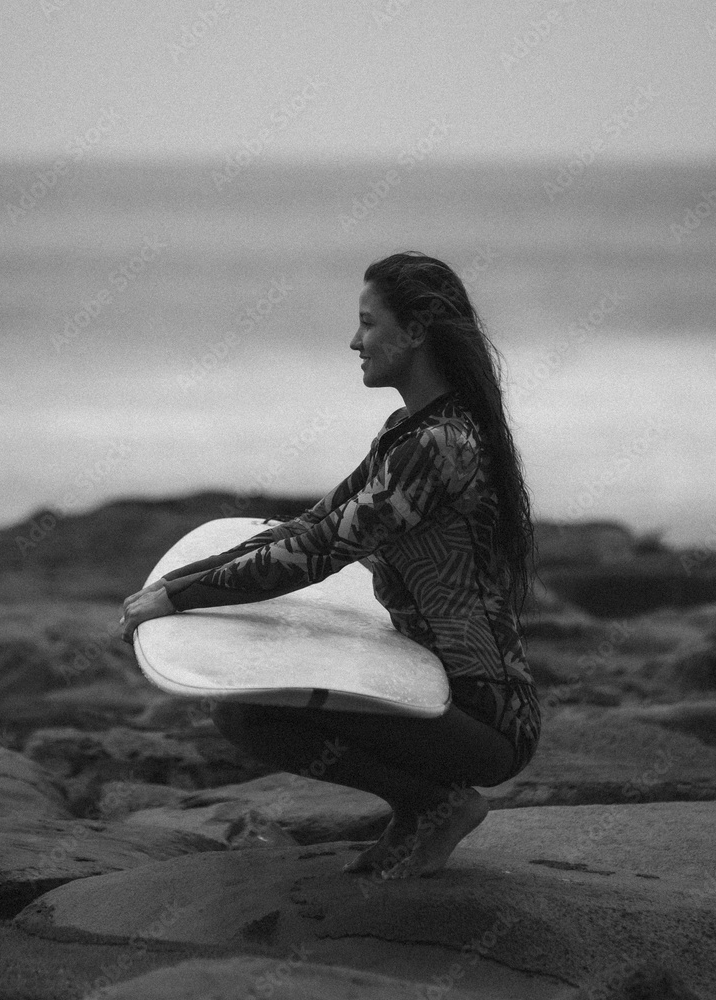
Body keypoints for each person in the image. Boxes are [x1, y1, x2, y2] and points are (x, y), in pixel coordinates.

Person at [121, 251, 541, 878]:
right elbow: (310, 527)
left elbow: (316, 555)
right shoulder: (412, 430)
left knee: (247, 714)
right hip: (432, 688)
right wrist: (177, 585)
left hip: (480, 714)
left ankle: (439, 802)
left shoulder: (438, 447)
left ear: (418, 330)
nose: (355, 341)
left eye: (369, 324)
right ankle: (421, 806)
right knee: (246, 706)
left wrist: (175, 599)